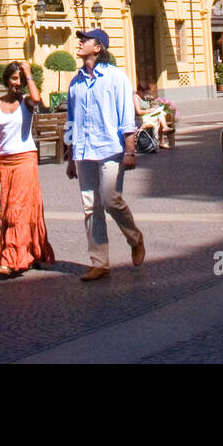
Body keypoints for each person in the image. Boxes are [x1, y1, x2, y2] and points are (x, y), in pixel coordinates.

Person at [64, 28, 145, 281]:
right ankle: (99, 262)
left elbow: (127, 117)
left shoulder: (116, 78)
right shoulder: (75, 81)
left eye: (84, 40)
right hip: (83, 151)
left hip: (110, 148)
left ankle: (135, 237)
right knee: (90, 206)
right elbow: (71, 121)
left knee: (110, 200)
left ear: (97, 48)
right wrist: (70, 156)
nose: (79, 43)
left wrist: (130, 151)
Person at [0, 60, 55, 279]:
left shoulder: (27, 102)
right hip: (5, 162)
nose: (17, 83)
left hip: (26, 159)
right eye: (14, 78)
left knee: (15, 209)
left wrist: (29, 74)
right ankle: (33, 252)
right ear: (6, 80)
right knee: (13, 209)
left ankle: (10, 259)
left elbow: (38, 100)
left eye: (20, 79)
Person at [133, 80, 170, 150]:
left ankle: (164, 130)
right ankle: (162, 139)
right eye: (145, 92)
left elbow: (150, 105)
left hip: (147, 115)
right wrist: (150, 110)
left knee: (161, 113)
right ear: (140, 91)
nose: (146, 94)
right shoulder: (136, 97)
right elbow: (138, 112)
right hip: (140, 118)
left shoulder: (145, 97)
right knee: (159, 117)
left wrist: (154, 107)